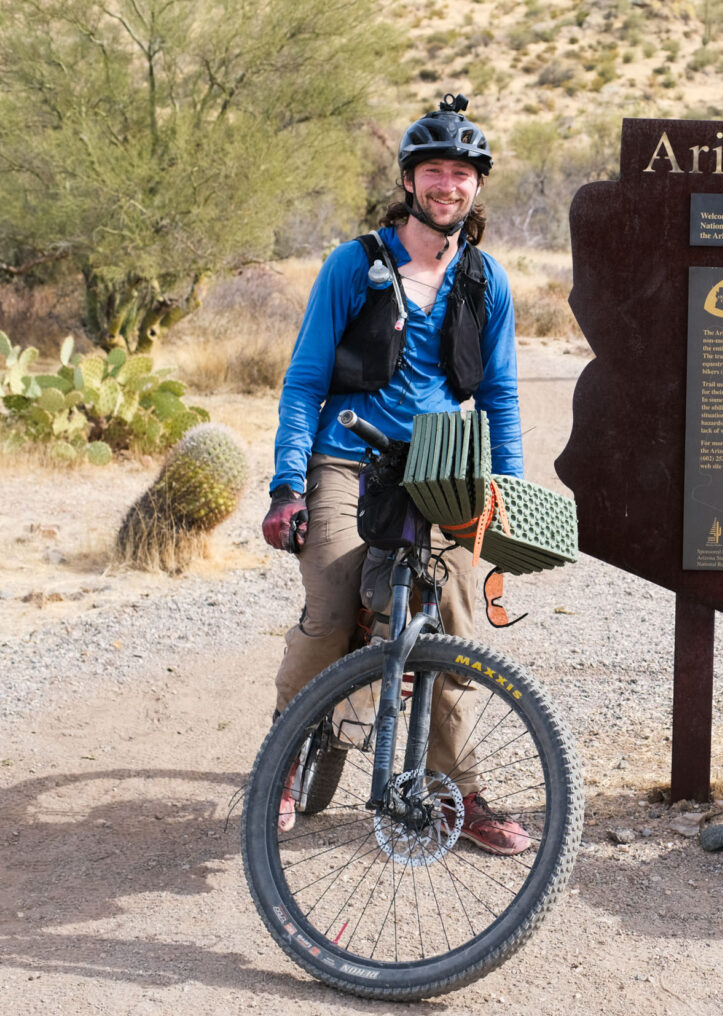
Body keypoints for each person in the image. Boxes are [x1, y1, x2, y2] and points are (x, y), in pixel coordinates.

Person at [261, 94, 529, 855]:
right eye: (434, 171)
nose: (448, 185)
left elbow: (502, 394)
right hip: (347, 456)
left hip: (439, 465)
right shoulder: (356, 265)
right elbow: (306, 379)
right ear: (410, 181)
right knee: (336, 598)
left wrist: (504, 486)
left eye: (462, 174)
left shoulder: (486, 280)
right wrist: (288, 485)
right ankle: (282, 765)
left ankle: (456, 788)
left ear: (476, 186)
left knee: (457, 619)